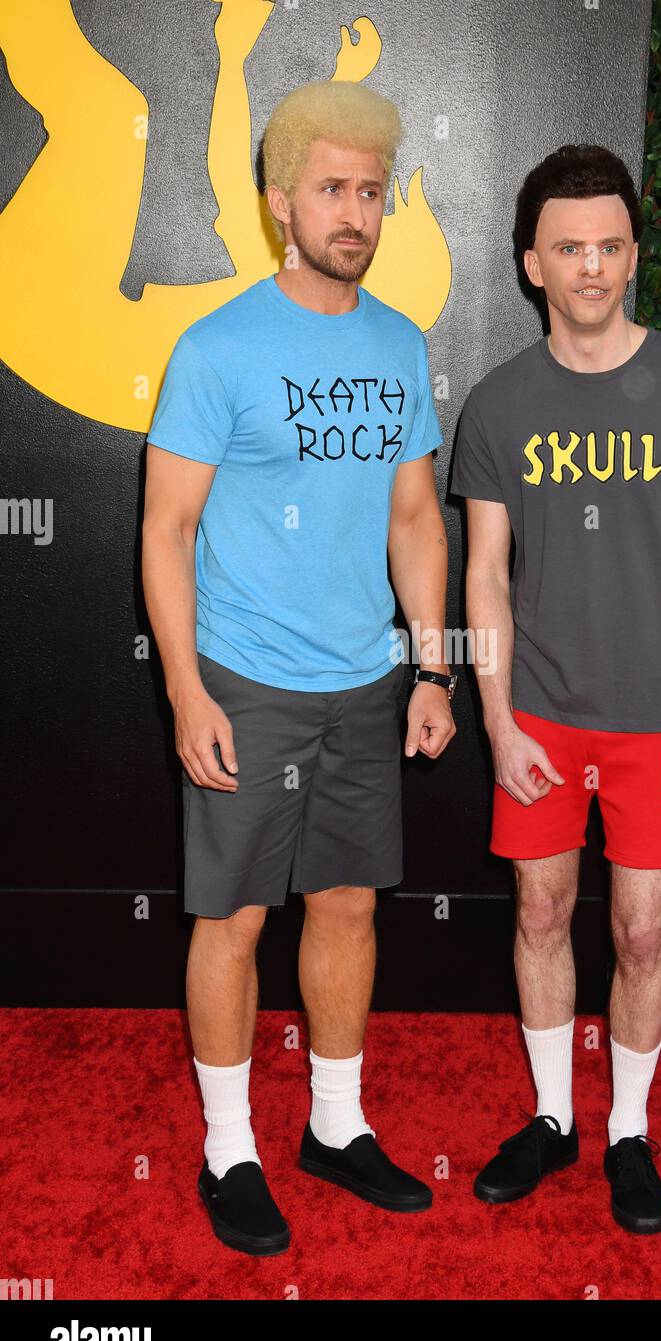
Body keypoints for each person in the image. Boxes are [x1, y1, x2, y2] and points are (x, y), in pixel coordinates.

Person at [142, 80, 456, 1256]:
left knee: (347, 904)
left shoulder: (397, 343)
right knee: (229, 918)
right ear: (282, 204)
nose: (356, 213)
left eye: (371, 192)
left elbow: (417, 520)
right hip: (247, 683)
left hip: (366, 685)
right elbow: (165, 528)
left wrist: (433, 673)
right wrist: (185, 688)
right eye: (332, 189)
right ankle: (229, 1145)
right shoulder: (216, 347)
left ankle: (334, 1124)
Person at [449, 144, 661, 1234]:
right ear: (531, 261)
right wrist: (493, 717)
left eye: (610, 247)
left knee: (637, 933)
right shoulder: (495, 403)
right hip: (535, 708)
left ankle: (626, 1127)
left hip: (658, 720)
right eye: (569, 248)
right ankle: (551, 1118)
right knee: (538, 912)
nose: (591, 268)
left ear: (632, 254)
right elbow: (482, 571)